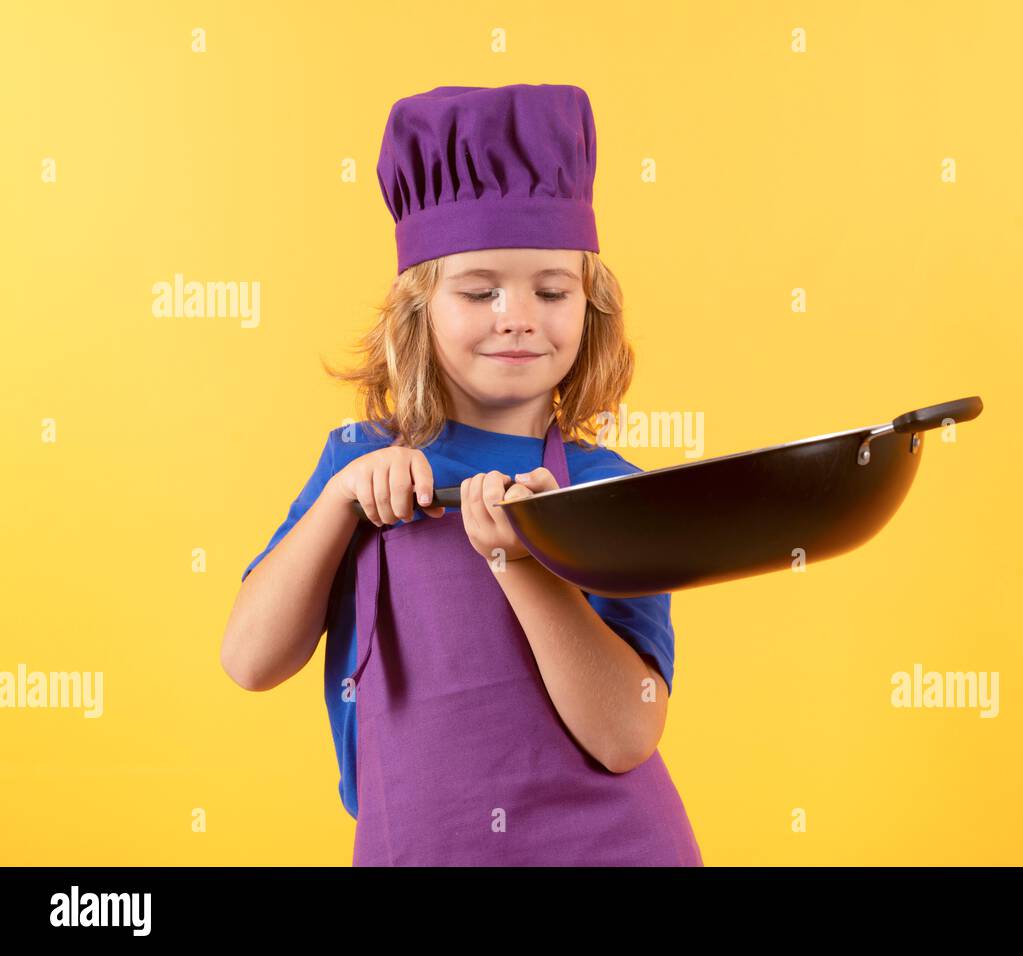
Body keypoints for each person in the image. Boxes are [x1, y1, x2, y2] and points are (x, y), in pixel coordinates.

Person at [220, 83, 703, 866]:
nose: (518, 315)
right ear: (418, 308)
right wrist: (342, 503)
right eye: (481, 291)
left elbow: (624, 735)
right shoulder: (357, 460)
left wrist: (522, 558)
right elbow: (249, 660)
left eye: (552, 291)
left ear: (592, 308)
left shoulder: (611, 491)